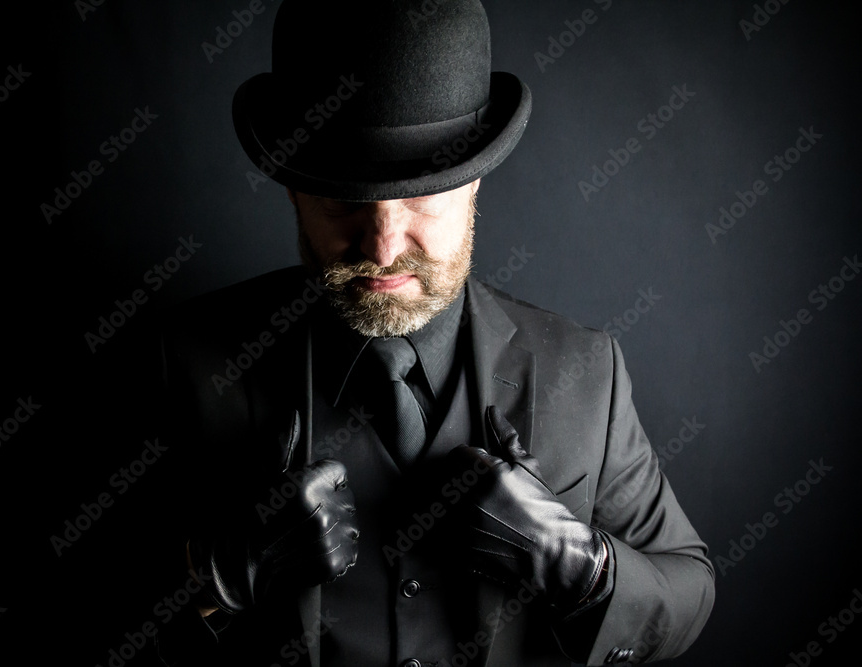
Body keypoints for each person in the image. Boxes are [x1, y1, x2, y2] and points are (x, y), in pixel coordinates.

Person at [154, 1, 714, 665]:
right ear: (293, 190)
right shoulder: (185, 362)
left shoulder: (587, 371)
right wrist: (221, 576)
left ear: (473, 181)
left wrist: (577, 564)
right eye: (344, 197)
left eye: (422, 193)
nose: (384, 245)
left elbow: (689, 591)